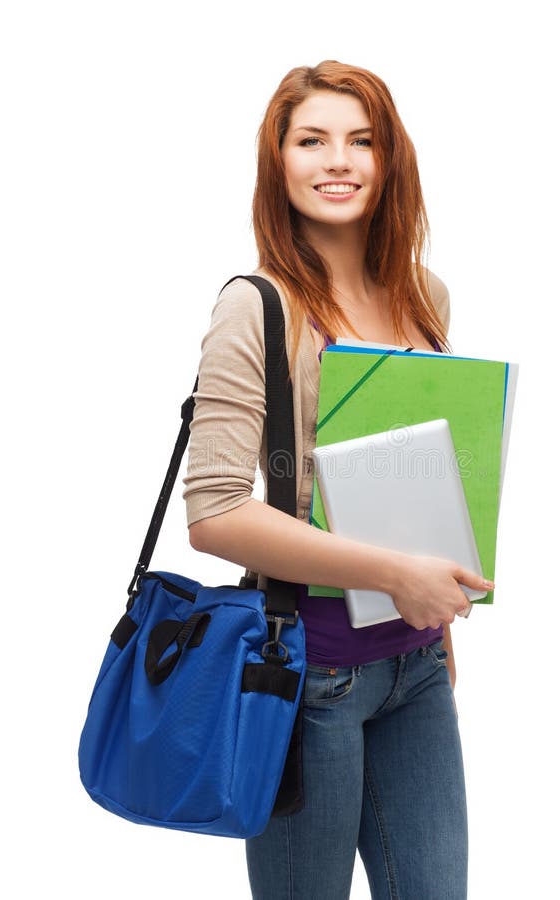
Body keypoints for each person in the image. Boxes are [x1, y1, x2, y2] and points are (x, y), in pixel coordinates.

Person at [183, 60, 494, 900]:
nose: (337, 160)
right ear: (277, 161)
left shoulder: (424, 296)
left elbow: (415, 474)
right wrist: (396, 574)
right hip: (307, 673)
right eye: (311, 139)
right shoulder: (258, 306)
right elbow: (212, 512)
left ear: (390, 160)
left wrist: (439, 623)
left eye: (361, 140)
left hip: (417, 667)